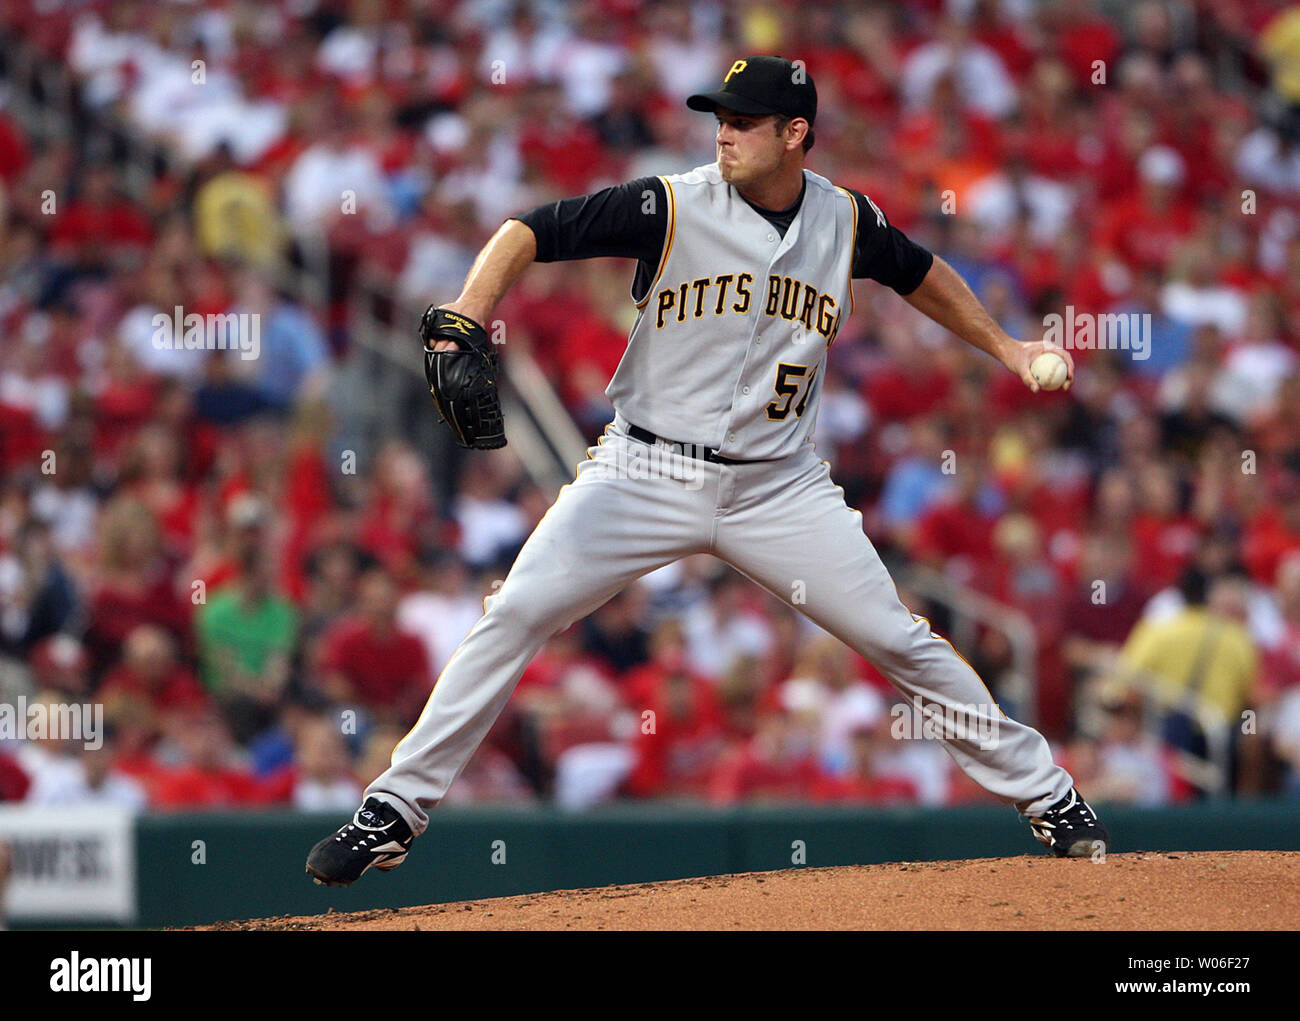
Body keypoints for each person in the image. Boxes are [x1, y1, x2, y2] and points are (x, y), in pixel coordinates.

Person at [307, 56, 1108, 886]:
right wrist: (466, 314)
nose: (723, 131)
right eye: (719, 117)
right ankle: (394, 809)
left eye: (744, 120)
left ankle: (1047, 793)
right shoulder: (670, 203)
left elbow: (922, 274)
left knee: (897, 636)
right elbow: (528, 229)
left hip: (778, 483)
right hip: (643, 465)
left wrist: (1009, 348)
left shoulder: (844, 220)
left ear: (795, 134)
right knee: (514, 613)